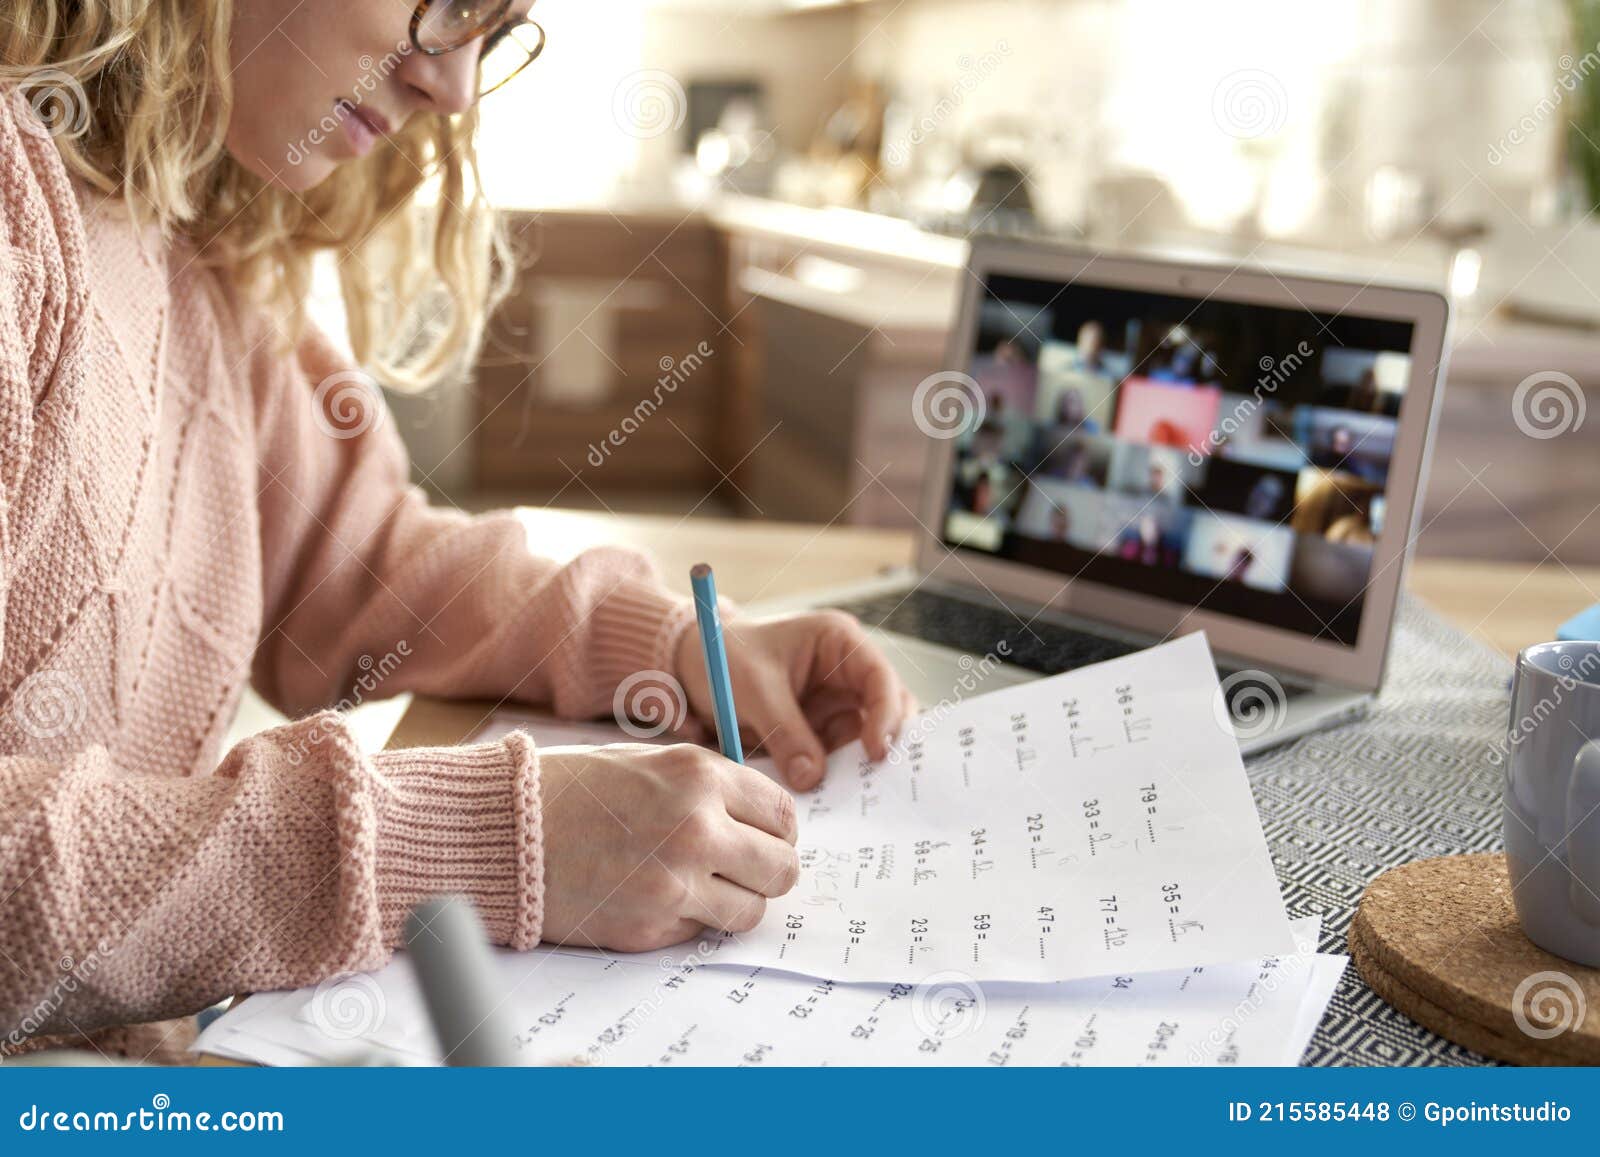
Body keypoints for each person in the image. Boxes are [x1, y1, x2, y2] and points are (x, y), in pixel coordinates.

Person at [0, 1, 917, 1057]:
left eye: (496, 29)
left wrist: (664, 646)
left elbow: (361, 565)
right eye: (446, 4)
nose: (454, 87)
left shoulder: (198, 239)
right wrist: (471, 844)